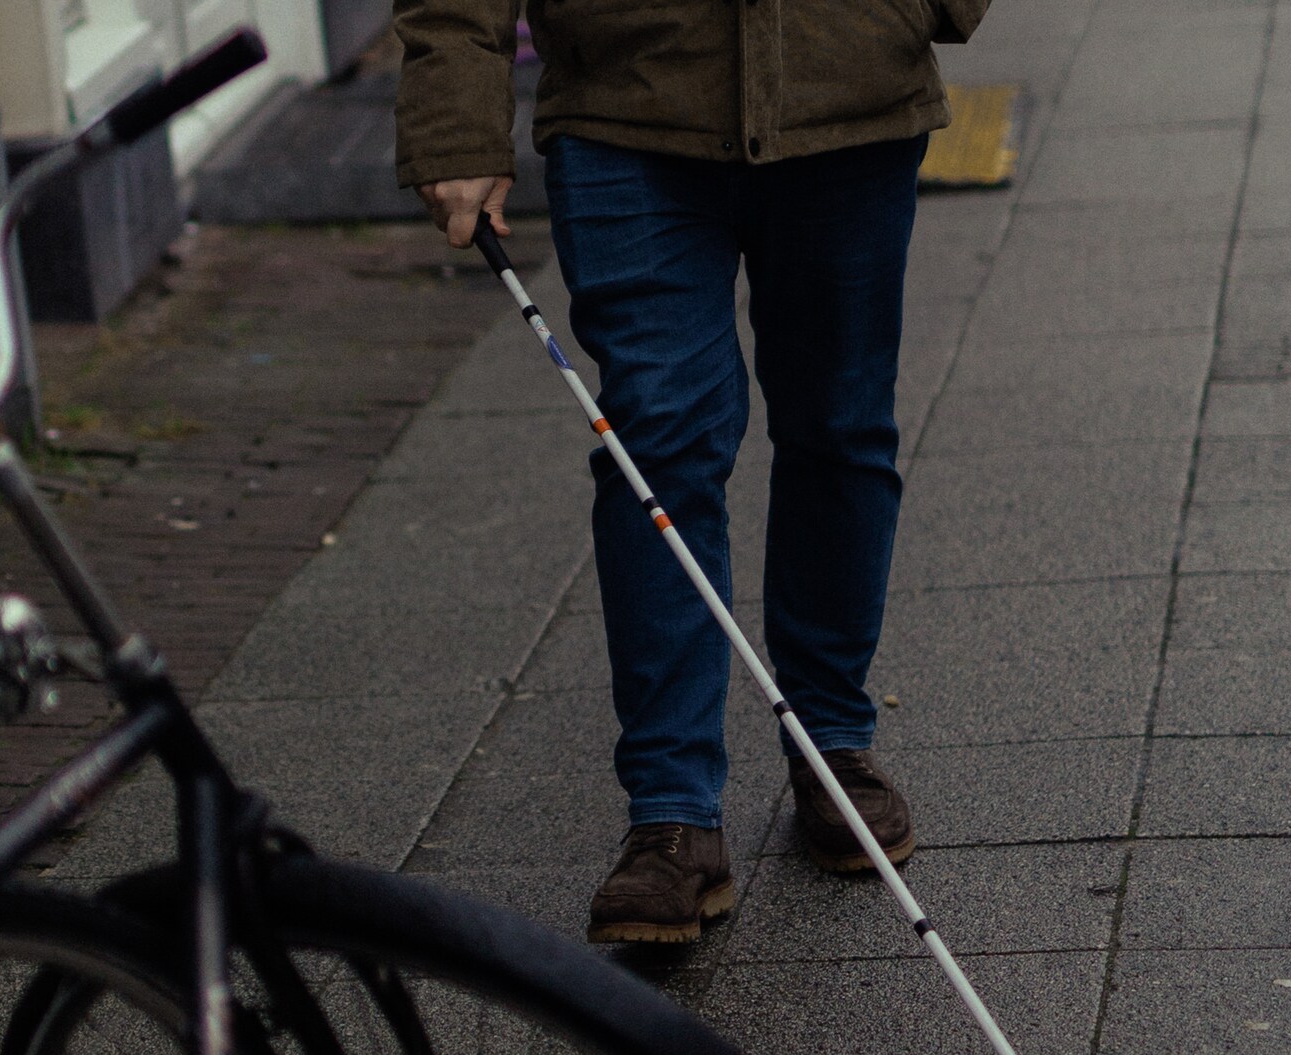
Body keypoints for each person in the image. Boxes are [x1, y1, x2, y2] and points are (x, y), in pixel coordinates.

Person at [394, 0, 981, 944]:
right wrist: (456, 115)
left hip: (849, 94)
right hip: (628, 106)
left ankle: (832, 741)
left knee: (840, 427)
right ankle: (671, 814)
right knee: (656, 446)